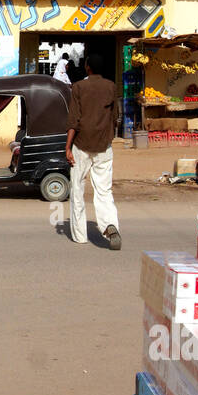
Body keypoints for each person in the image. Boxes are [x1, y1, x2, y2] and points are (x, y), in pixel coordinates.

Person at [66, 53, 121, 250]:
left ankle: (80, 236)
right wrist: (108, 137)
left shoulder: (79, 87)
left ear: (87, 67)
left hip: (81, 144)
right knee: (103, 190)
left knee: (78, 188)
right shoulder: (111, 86)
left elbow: (73, 119)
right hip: (103, 145)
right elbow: (115, 116)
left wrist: (67, 146)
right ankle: (110, 225)